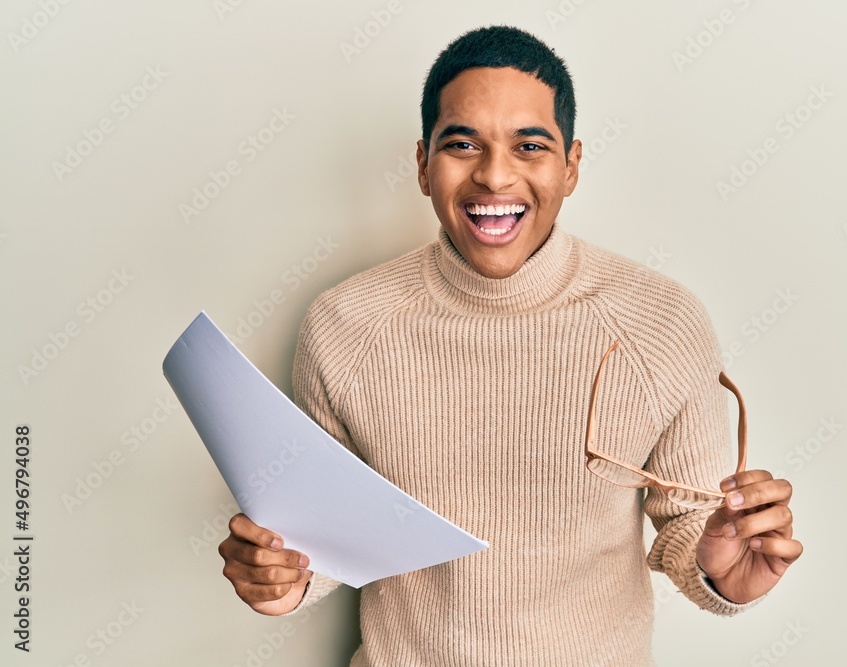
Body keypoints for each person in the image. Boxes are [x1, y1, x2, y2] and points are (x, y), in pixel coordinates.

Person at [218, 24, 802, 665]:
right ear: (422, 164)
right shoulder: (345, 325)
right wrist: (283, 577)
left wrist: (722, 572)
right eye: (462, 144)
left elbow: (689, 520)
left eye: (530, 146)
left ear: (571, 166)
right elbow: (330, 532)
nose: (495, 177)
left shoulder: (661, 321)